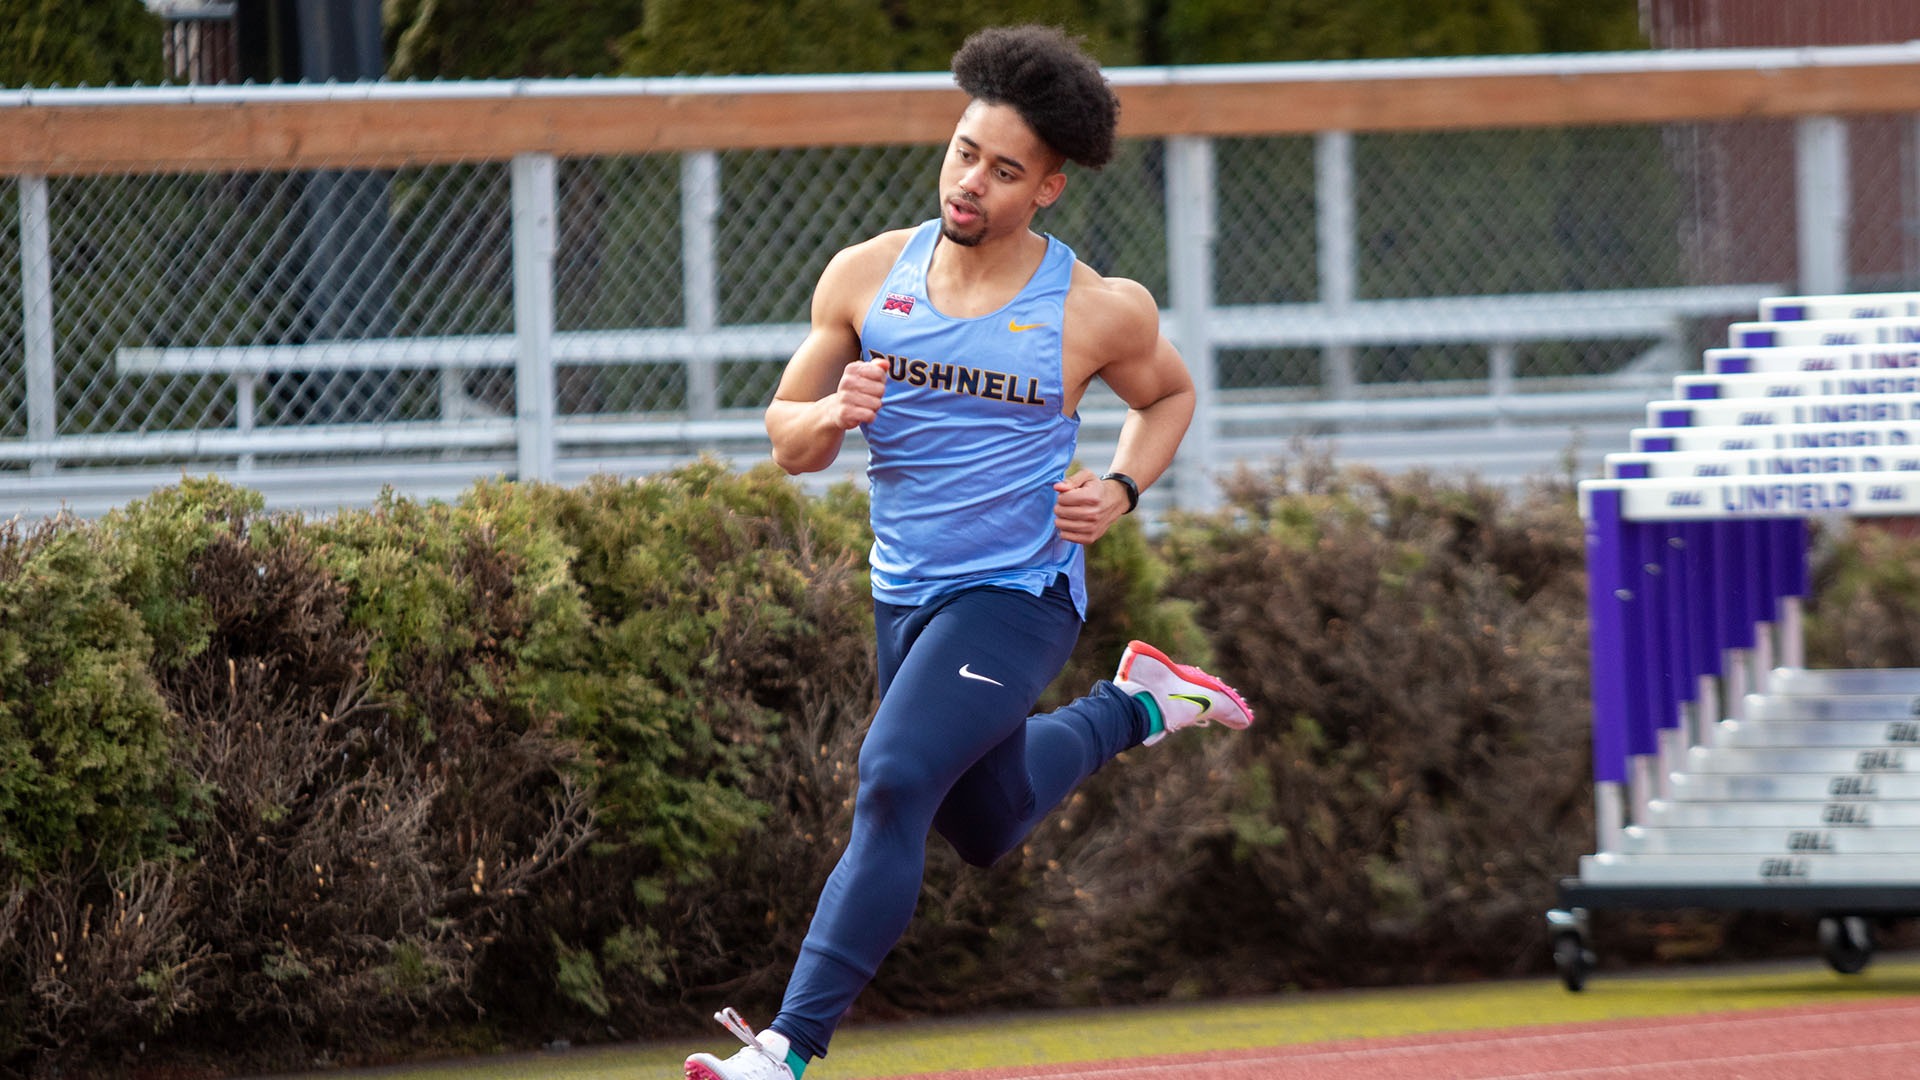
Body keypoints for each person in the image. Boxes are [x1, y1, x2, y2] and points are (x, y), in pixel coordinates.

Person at [685, 24, 1253, 1080]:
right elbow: (786, 437)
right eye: (962, 153)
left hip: (1020, 595)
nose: (970, 183)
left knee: (896, 779)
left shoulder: (1093, 310)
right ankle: (1140, 706)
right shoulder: (866, 278)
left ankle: (785, 1051)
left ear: (1046, 189)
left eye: (1002, 171)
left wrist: (1122, 489)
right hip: (905, 597)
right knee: (985, 825)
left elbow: (1170, 394)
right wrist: (831, 416)